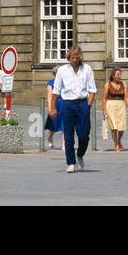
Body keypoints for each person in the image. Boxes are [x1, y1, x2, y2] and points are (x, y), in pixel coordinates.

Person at [49, 45, 96, 173]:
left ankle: (80, 154)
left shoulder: (87, 69)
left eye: (76, 58)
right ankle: (70, 162)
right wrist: (52, 107)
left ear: (80, 58)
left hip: (82, 104)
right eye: (72, 58)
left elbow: (92, 89)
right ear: (68, 57)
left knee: (84, 134)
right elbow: (56, 90)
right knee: (68, 135)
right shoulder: (62, 70)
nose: (74, 60)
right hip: (67, 104)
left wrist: (88, 105)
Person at [104, 68, 128, 151]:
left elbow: (127, 97)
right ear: (113, 76)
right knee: (113, 126)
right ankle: (116, 144)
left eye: (120, 74)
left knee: (122, 126)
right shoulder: (107, 85)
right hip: (110, 105)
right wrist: (104, 110)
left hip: (121, 105)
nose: (119, 76)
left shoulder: (124, 84)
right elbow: (104, 98)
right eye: (117, 74)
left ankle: (119, 140)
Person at [44, 76, 61, 152]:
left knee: (65, 126)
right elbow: (49, 96)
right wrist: (50, 108)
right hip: (55, 105)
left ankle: (65, 144)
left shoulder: (65, 81)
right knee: (54, 126)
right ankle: (50, 136)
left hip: (64, 105)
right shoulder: (50, 83)